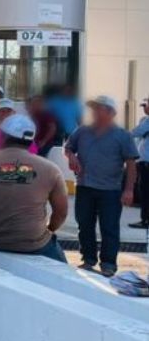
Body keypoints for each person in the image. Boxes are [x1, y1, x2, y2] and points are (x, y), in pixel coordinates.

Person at [0, 114, 69, 262]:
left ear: (3, 136)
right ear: (31, 140)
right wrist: (49, 229)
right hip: (34, 244)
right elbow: (61, 213)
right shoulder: (50, 169)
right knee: (64, 269)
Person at [65, 95, 138, 276]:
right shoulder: (82, 131)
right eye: (94, 109)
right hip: (84, 186)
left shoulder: (123, 135)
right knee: (85, 225)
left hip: (110, 190)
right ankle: (88, 259)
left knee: (109, 227)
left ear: (111, 113)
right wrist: (72, 156)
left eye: (100, 109)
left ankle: (108, 263)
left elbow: (131, 164)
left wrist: (129, 189)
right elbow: (68, 147)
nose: (96, 112)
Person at [133, 98, 149, 230]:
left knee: (145, 192)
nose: (144, 108)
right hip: (144, 162)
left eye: (146, 105)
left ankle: (145, 220)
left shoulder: (147, 122)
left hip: (147, 164)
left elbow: (134, 132)